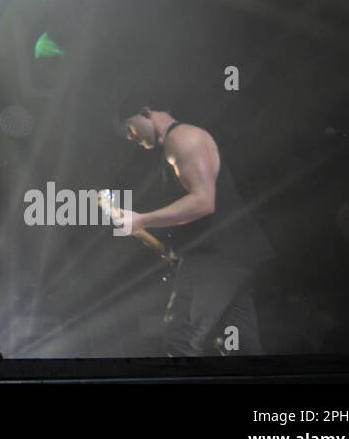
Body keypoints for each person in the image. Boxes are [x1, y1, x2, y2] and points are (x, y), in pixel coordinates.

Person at [114, 94, 274, 355]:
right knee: (241, 349)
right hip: (232, 256)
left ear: (145, 112)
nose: (130, 137)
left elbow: (203, 202)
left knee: (180, 340)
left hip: (215, 257)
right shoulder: (176, 144)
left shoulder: (183, 139)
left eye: (129, 128)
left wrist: (141, 219)